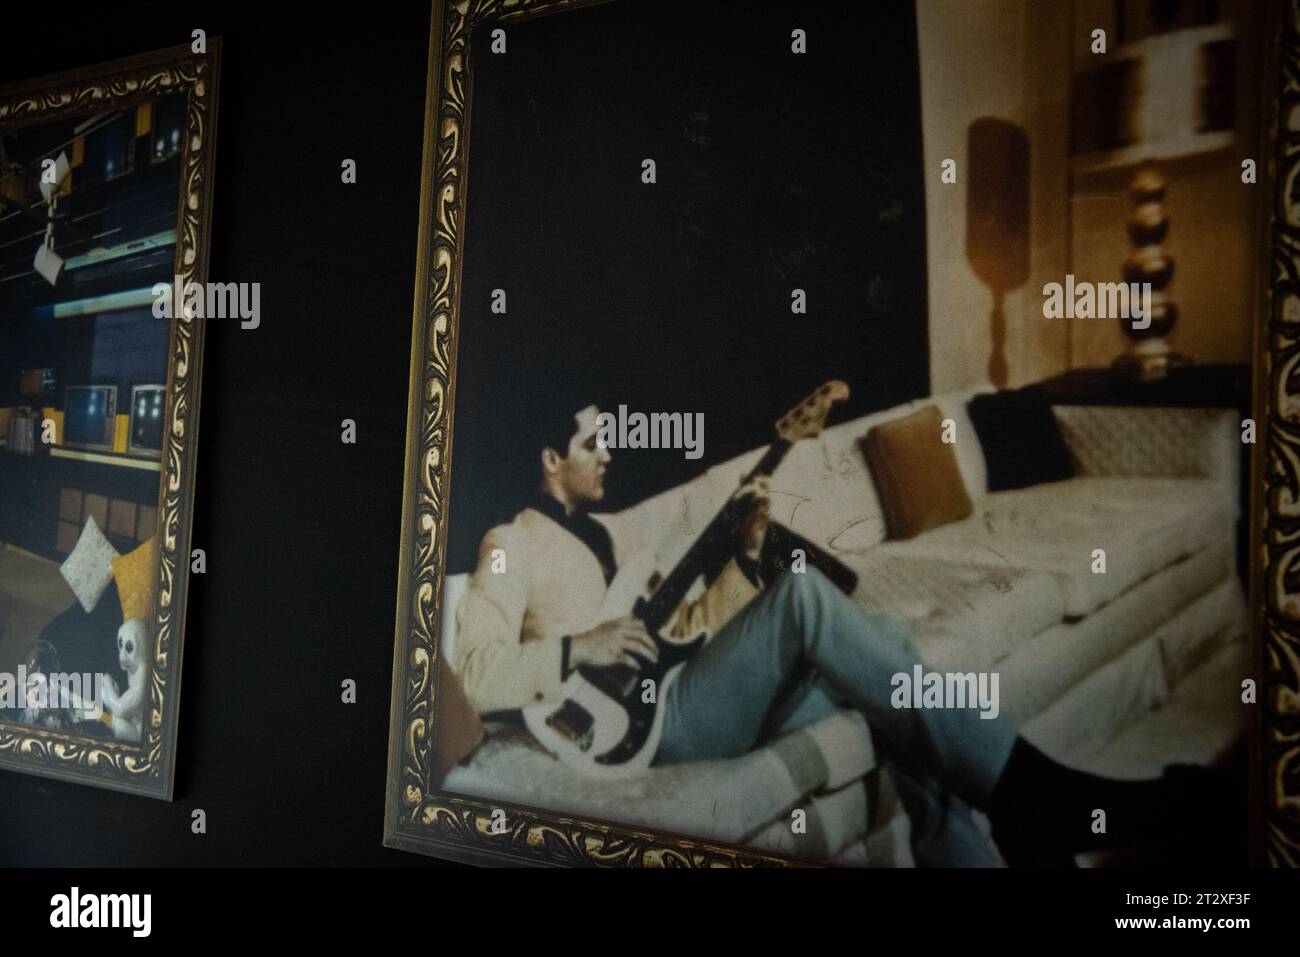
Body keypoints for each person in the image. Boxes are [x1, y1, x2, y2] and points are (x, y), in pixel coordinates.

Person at [452, 403, 1229, 866]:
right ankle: (1041, 795)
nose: (609, 451)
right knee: (807, 597)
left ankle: (988, 847)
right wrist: (574, 648)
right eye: (592, 442)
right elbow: (473, 668)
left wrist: (748, 555)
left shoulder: (621, 540)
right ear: (551, 459)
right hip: (638, 731)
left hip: (685, 687)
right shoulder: (509, 541)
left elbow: (687, 631)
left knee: (879, 679)